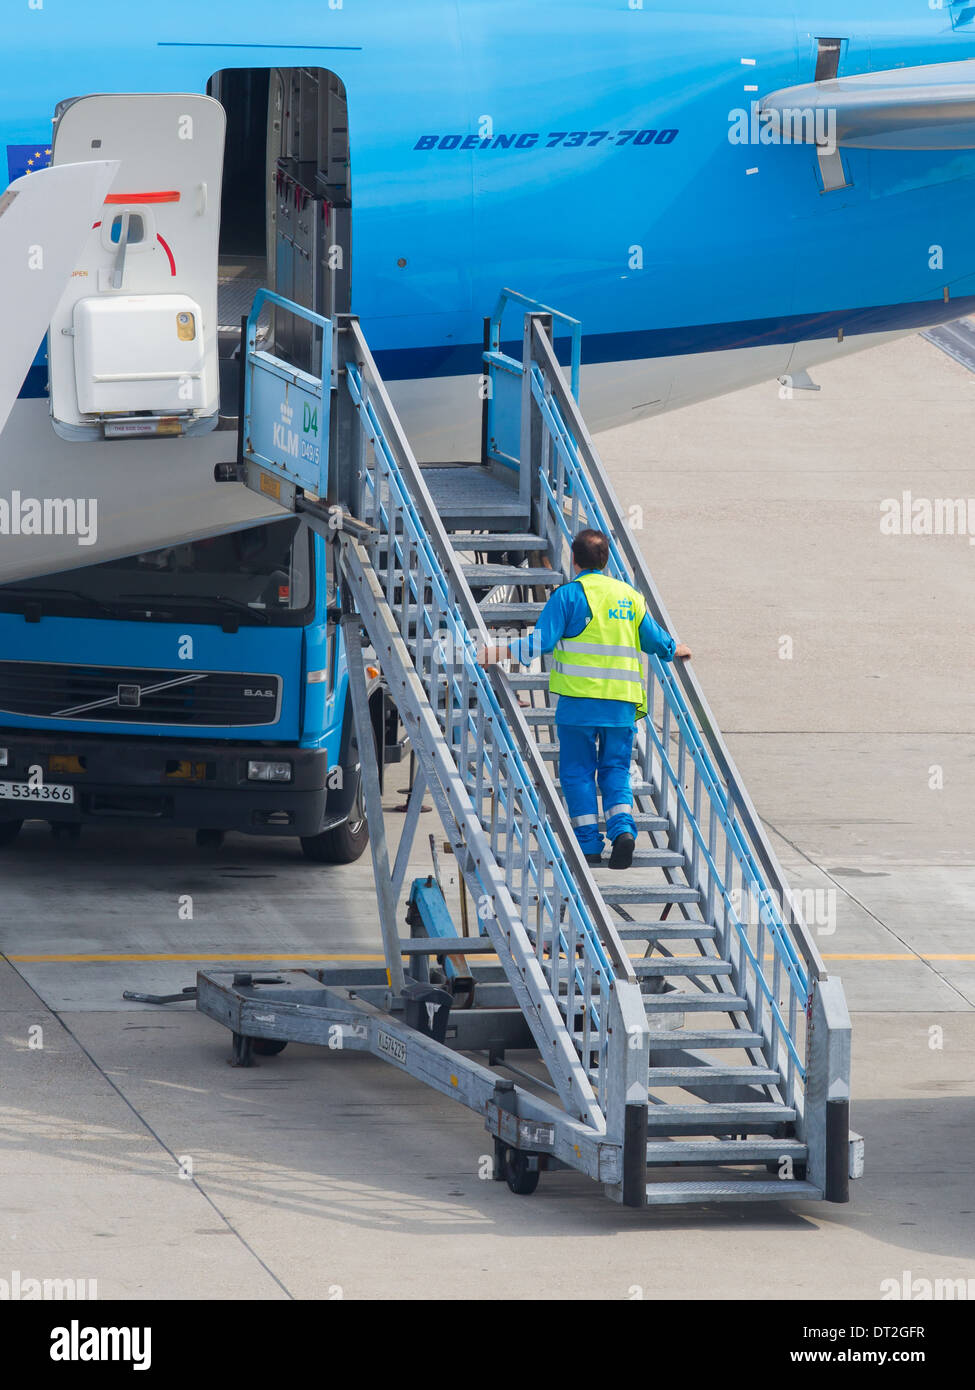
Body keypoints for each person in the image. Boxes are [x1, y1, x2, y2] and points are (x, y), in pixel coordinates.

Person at [479, 528, 691, 869]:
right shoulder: (629, 597)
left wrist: (496, 651)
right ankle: (623, 830)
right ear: (605, 561)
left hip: (578, 705)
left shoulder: (568, 596)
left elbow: (541, 644)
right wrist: (673, 649)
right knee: (616, 770)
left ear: (575, 560)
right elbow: (652, 640)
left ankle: (588, 844)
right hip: (621, 705)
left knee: (578, 772)